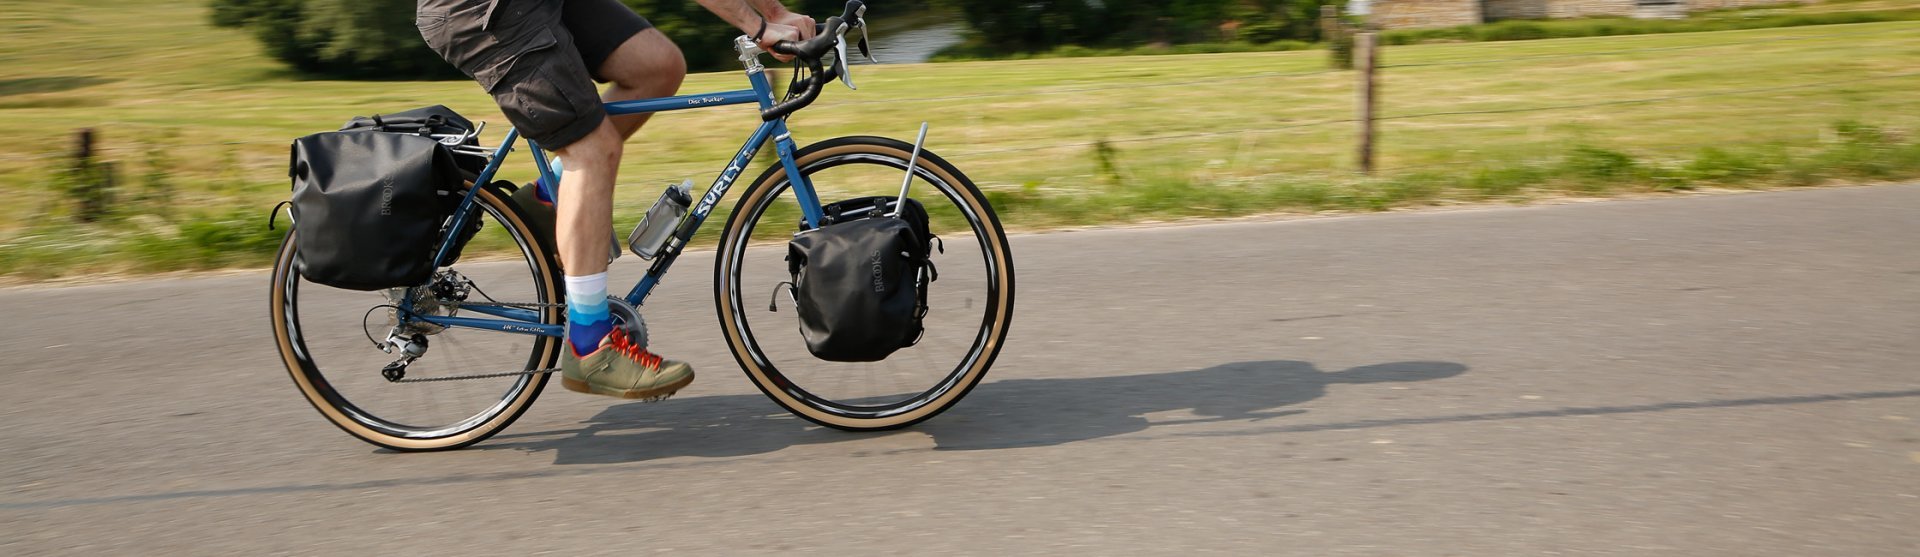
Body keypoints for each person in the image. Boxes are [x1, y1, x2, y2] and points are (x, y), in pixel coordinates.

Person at [415, 0, 814, 399]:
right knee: (593, 149)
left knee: (658, 66)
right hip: (485, 11)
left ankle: (545, 202)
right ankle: (589, 347)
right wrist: (758, 26)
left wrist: (774, 15)